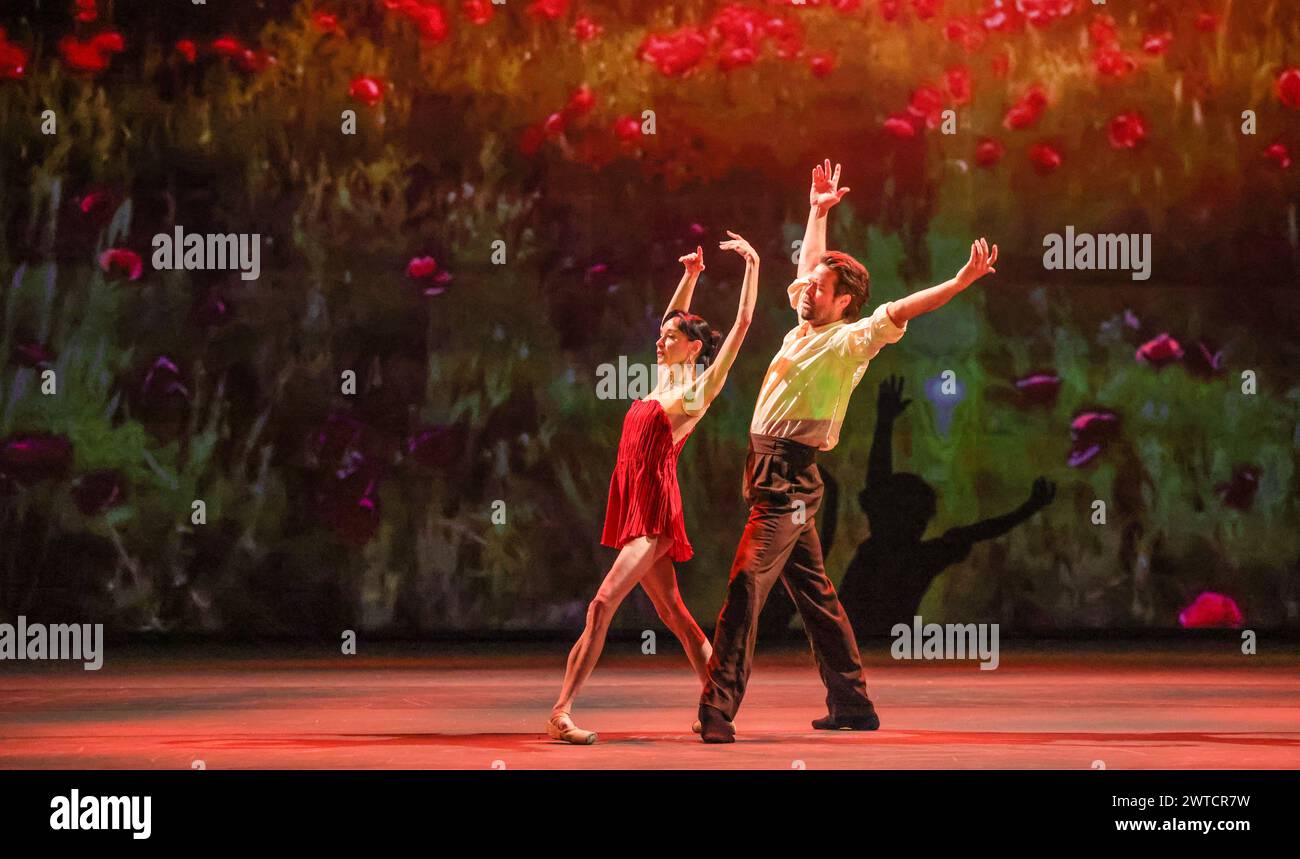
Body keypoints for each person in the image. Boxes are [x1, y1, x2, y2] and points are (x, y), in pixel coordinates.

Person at [697, 160, 1000, 742]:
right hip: (771, 472)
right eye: (808, 286)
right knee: (815, 595)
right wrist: (817, 211)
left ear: (844, 303)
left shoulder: (849, 340)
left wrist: (960, 283)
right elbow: (811, 264)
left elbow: (903, 308)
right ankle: (853, 704)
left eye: (818, 289)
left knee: (745, 583)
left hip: (787, 479)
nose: (806, 288)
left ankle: (717, 708)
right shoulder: (803, 326)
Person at [549, 231, 761, 744]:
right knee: (676, 616)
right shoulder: (660, 382)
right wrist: (690, 276)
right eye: (662, 335)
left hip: (653, 514)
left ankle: (560, 712)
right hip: (636, 509)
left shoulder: (696, 390)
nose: (660, 340)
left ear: (693, 347)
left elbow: (742, 326)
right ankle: (718, 702)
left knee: (602, 606)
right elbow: (671, 319)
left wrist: (752, 265)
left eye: (671, 337)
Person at [838, 375, 1057, 639]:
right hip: (879, 642)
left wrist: (884, 422)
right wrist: (1027, 510)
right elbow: (978, 531)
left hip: (863, 641)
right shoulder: (919, 558)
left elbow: (878, 483)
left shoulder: (901, 552)